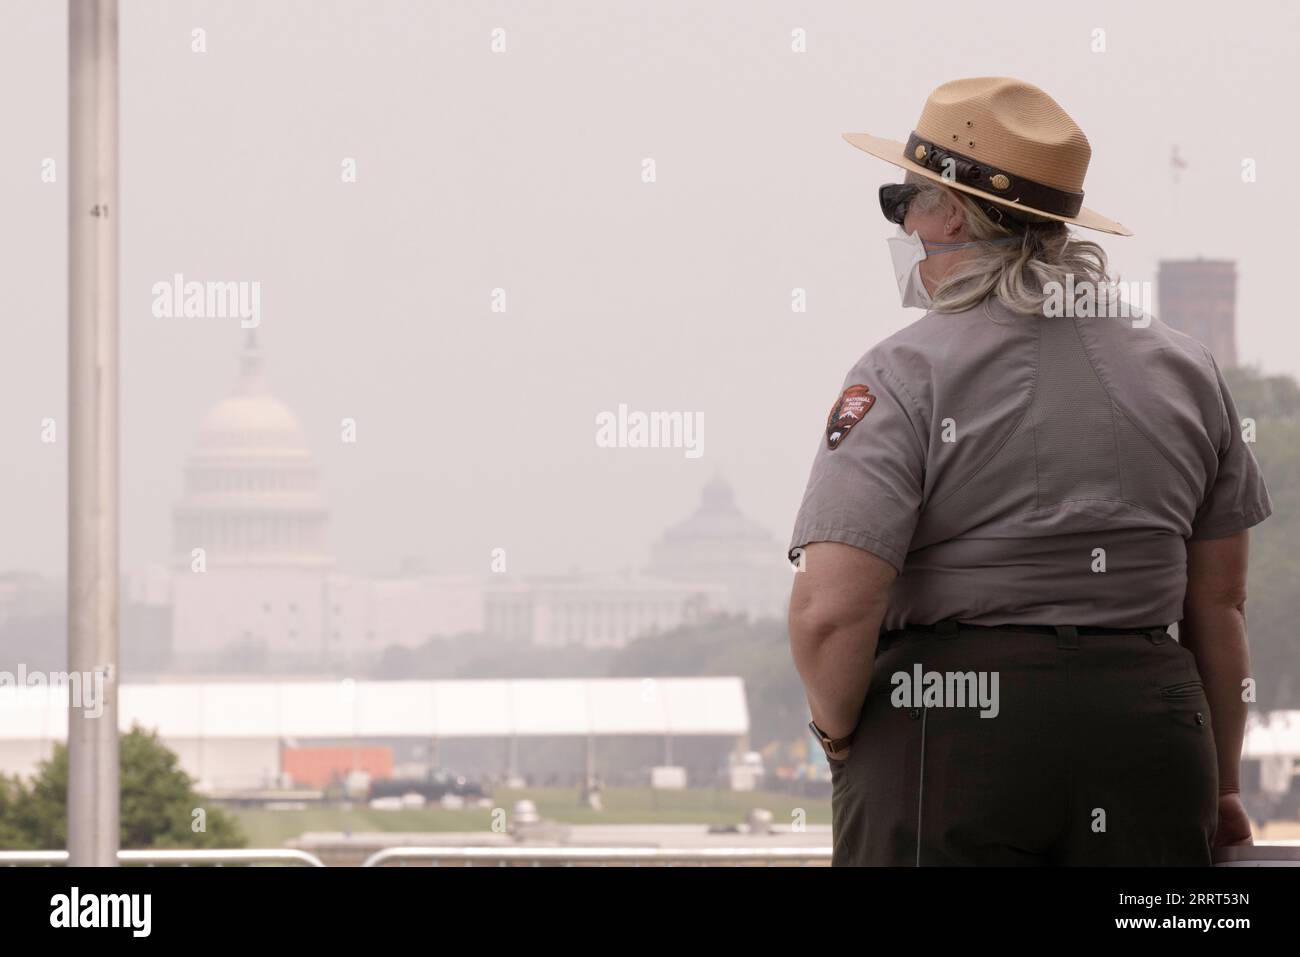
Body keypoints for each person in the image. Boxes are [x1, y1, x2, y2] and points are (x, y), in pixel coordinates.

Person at [786, 77, 1272, 866]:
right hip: (1151, 730)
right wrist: (1217, 788)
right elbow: (1219, 603)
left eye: (901, 200)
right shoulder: (1187, 368)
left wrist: (840, 737)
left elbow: (831, 611)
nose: (901, 223)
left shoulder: (905, 372)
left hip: (948, 729)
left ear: (948, 214)